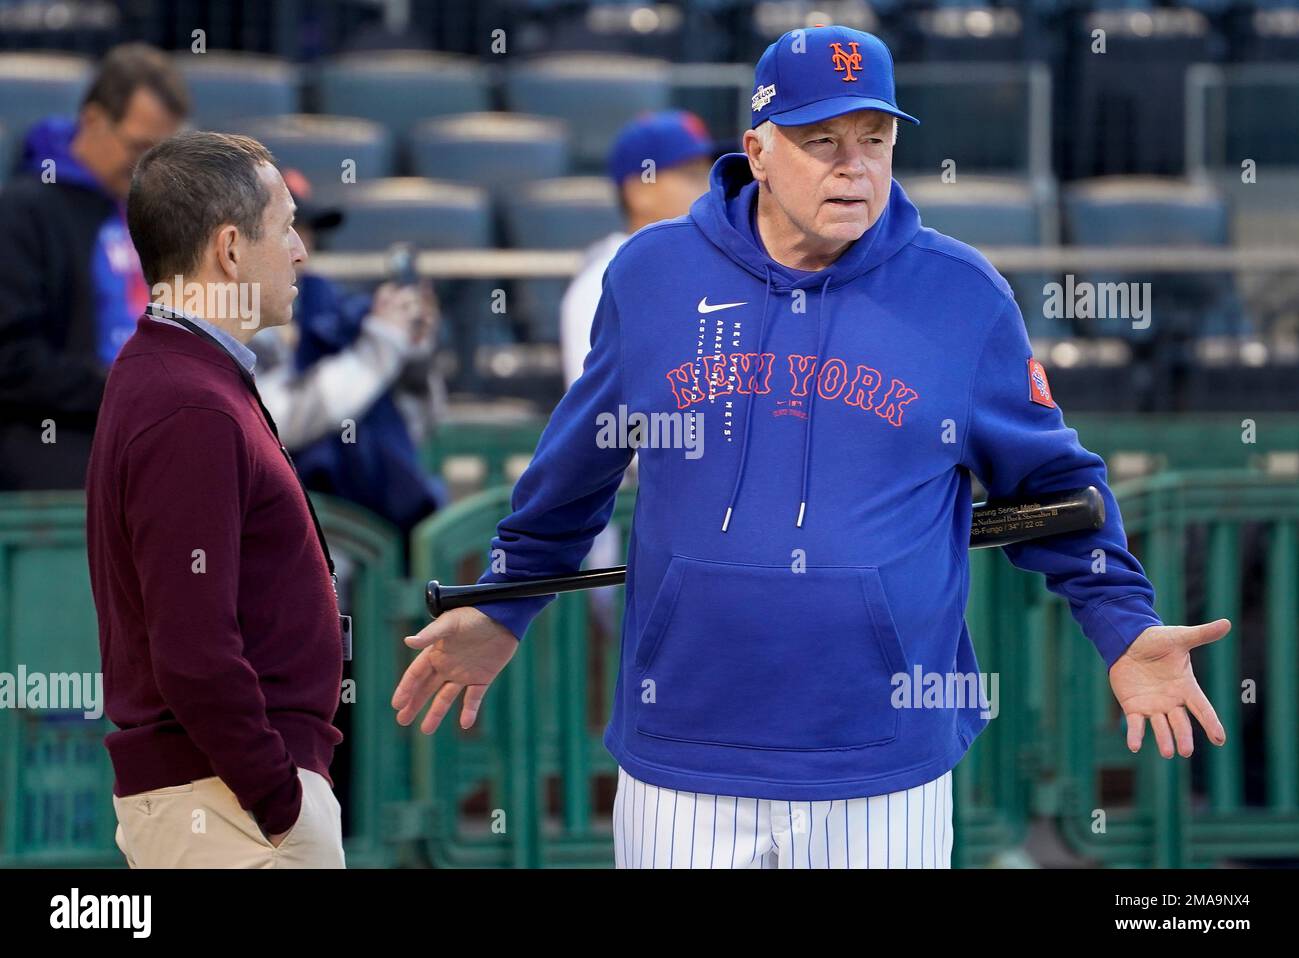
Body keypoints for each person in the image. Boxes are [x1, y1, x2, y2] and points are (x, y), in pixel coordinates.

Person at [392, 25, 1230, 869]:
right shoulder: (651, 276)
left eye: (874, 140)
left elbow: (1056, 487)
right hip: (686, 747)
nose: (853, 165)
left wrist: (1124, 626)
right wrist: (506, 602)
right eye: (820, 140)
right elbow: (575, 472)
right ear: (757, 150)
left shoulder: (962, 295)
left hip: (881, 760)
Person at [86, 131, 346, 868]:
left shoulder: (184, 378)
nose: (300, 250)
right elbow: (194, 651)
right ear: (231, 250)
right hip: (228, 808)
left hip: (223, 798)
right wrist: (279, 801)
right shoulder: (186, 402)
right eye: (286, 225)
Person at [0, 43, 188, 489]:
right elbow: (11, 361)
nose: (150, 168)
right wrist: (121, 385)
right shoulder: (23, 211)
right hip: (51, 431)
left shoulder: (155, 211)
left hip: (143, 414)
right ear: (93, 121)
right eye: (140, 146)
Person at [251, 168, 446, 539]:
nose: (300, 248)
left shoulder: (330, 304)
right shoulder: (229, 311)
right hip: (280, 522)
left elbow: (418, 423)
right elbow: (276, 420)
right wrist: (383, 343)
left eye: (305, 229)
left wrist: (413, 352)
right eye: (284, 227)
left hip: (362, 525)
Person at [560, 109, 716, 388]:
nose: (708, 188)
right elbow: (603, 415)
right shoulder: (602, 282)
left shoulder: (706, 267)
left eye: (708, 173)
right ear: (639, 190)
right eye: (691, 175)